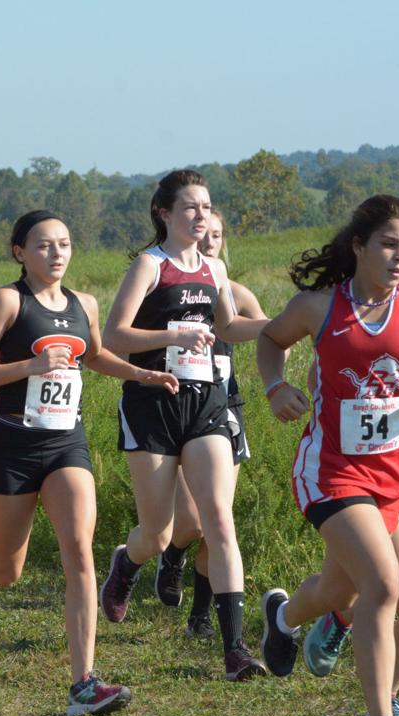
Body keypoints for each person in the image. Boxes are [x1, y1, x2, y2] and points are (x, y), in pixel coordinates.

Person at [0, 210, 179, 716]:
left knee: (79, 550)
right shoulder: (9, 301)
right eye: (44, 245)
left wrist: (142, 375)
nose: (57, 253)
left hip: (65, 444)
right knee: (6, 570)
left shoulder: (84, 304)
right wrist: (31, 365)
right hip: (12, 444)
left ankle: (83, 683)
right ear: (20, 252)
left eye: (65, 244)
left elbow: (93, 356)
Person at [258, 194, 399, 716]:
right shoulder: (318, 307)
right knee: (383, 585)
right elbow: (269, 340)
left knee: (396, 592)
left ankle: (283, 618)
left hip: (390, 477)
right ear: (358, 246)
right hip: (330, 472)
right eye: (389, 245)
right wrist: (276, 387)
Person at [98, 169, 268, 681]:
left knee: (218, 520)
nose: (200, 215)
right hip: (152, 403)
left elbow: (229, 325)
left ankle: (235, 649)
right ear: (164, 213)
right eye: (190, 207)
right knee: (158, 532)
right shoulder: (150, 266)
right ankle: (127, 564)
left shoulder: (215, 268)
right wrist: (173, 336)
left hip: (206, 404)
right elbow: (114, 336)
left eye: (206, 207)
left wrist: (284, 325)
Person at [156, 208, 268, 638]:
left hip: (224, 408)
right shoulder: (168, 285)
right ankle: (172, 553)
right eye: (203, 235)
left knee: (218, 519)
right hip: (179, 405)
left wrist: (283, 342)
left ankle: (201, 616)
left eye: (216, 236)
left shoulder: (235, 292)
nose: (208, 243)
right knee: (192, 522)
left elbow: (269, 335)